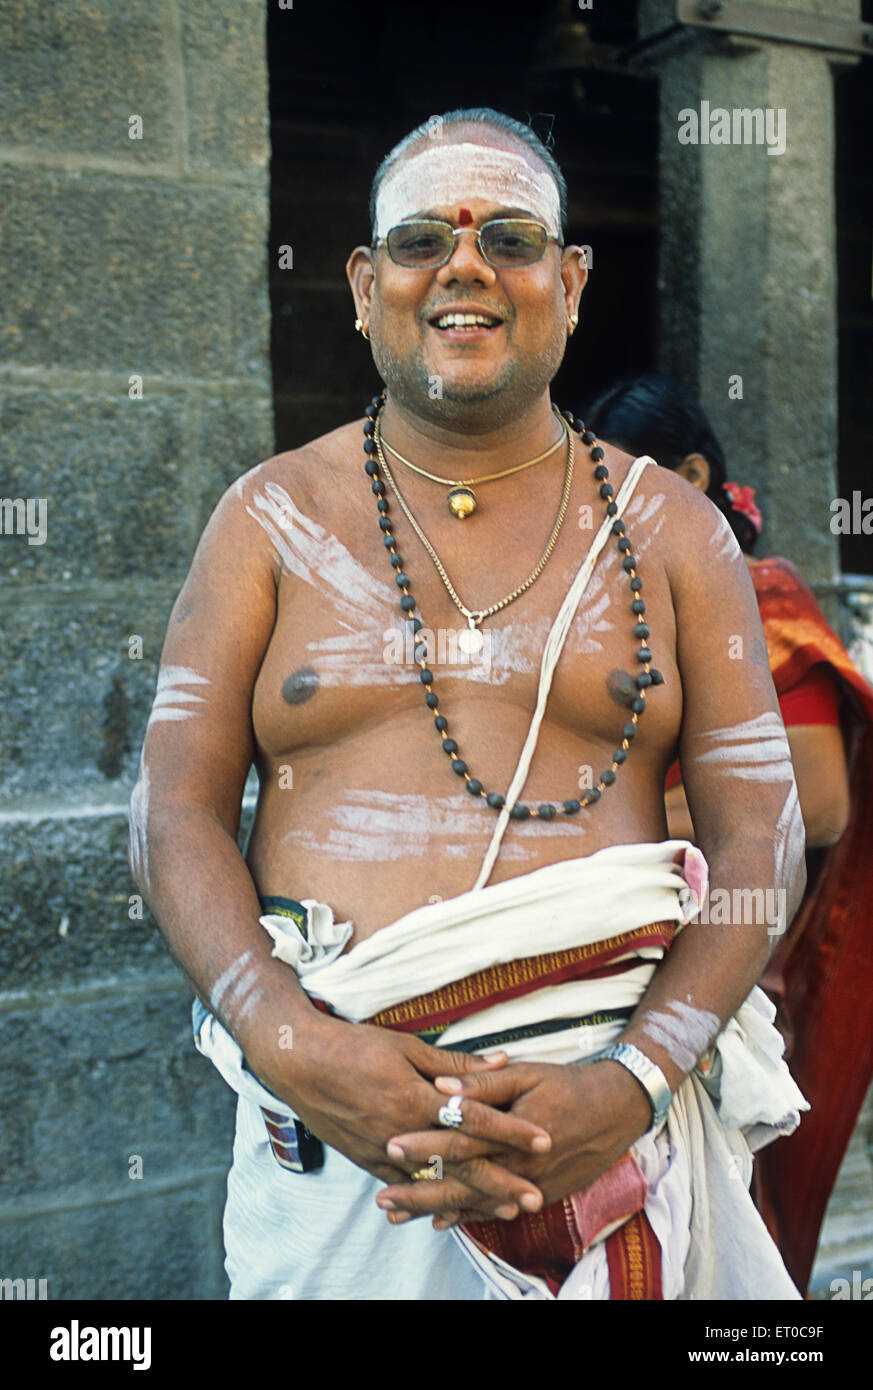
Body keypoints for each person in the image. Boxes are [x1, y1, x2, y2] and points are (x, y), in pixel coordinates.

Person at [129, 109, 807, 1301]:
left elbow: (766, 834)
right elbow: (171, 813)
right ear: (362, 282)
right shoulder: (269, 518)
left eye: (511, 236)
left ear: (570, 280)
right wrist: (293, 1047)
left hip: (617, 1133)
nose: (465, 267)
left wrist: (635, 1077)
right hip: (338, 1150)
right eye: (417, 243)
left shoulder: (675, 535)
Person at [583, 372, 873, 1293]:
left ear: (695, 474)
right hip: (643, 967)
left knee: (735, 1227)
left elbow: (818, 805)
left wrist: (601, 827)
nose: (602, 517)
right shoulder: (639, 609)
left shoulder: (765, 598)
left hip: (751, 965)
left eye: (625, 488)